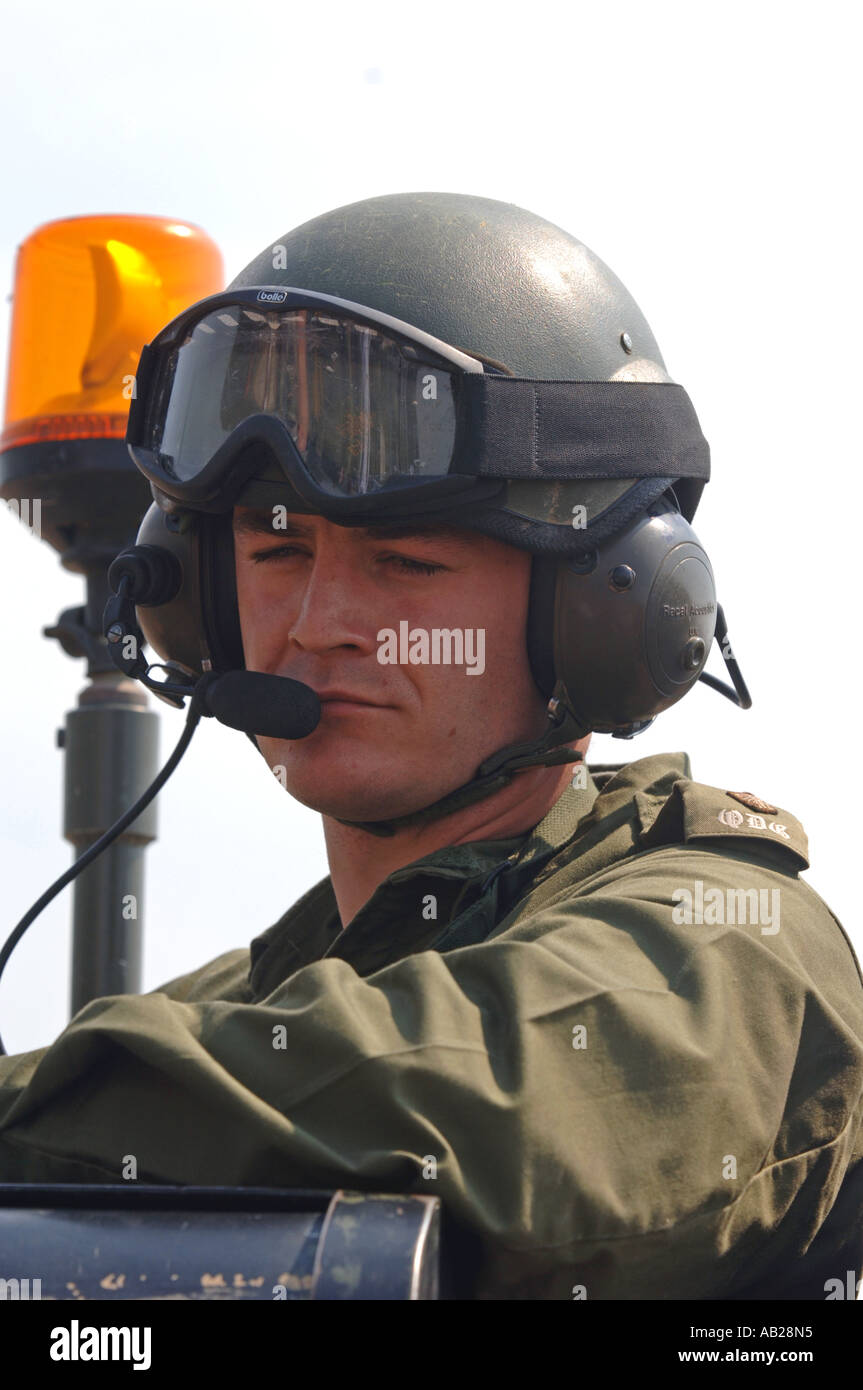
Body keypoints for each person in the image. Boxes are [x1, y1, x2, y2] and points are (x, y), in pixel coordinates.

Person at [1, 192, 861, 1301]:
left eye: (404, 564)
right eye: (274, 554)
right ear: (200, 600)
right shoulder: (239, 1008)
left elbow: (472, 1105)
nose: (319, 621)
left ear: (602, 610)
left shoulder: (726, 945)